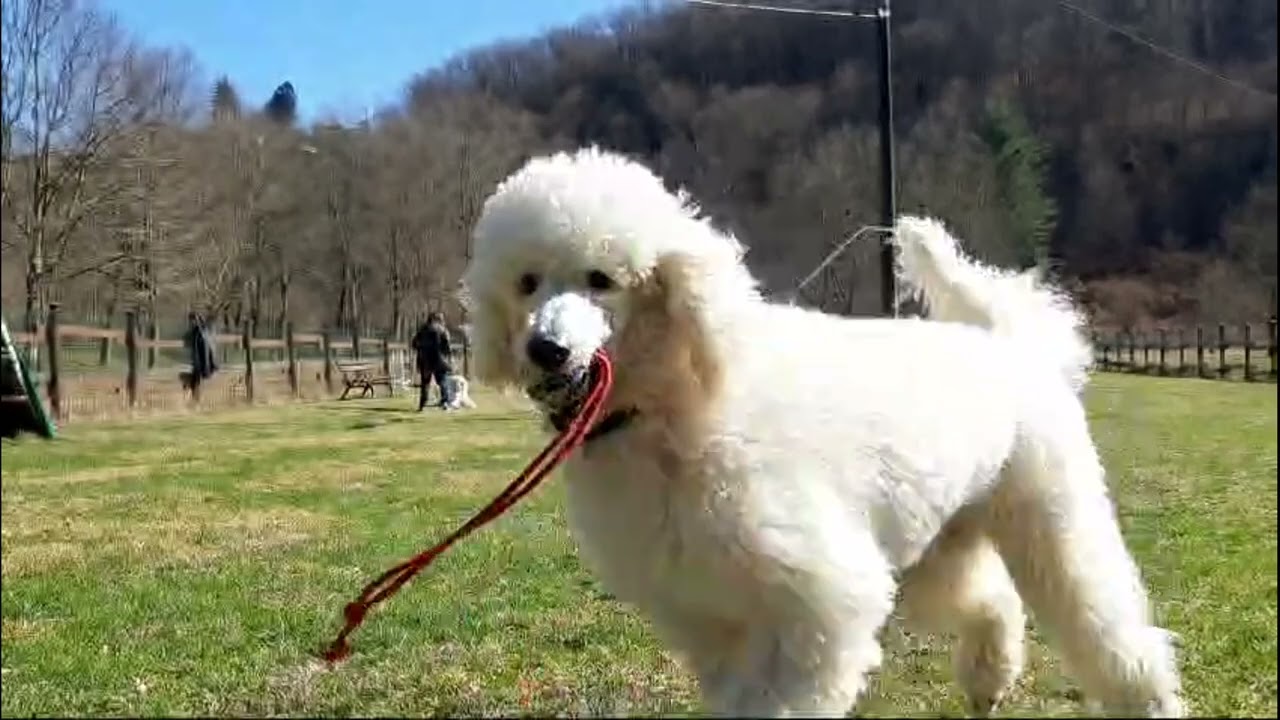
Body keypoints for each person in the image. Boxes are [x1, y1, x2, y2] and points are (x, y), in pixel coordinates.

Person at [411, 312, 454, 411]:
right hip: (439, 359)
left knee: (425, 383)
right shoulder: (442, 330)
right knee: (442, 381)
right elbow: (447, 346)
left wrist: (421, 349)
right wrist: (448, 355)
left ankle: (422, 404)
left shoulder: (422, 330)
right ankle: (445, 402)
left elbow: (414, 343)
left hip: (425, 359)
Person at [182, 312, 218, 400]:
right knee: (193, 383)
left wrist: (205, 365)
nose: (190, 323)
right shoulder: (200, 332)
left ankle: (196, 400)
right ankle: (195, 399)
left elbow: (205, 350)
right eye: (190, 321)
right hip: (200, 363)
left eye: (192, 320)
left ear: (196, 320)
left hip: (201, 364)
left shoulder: (199, 333)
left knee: (194, 383)